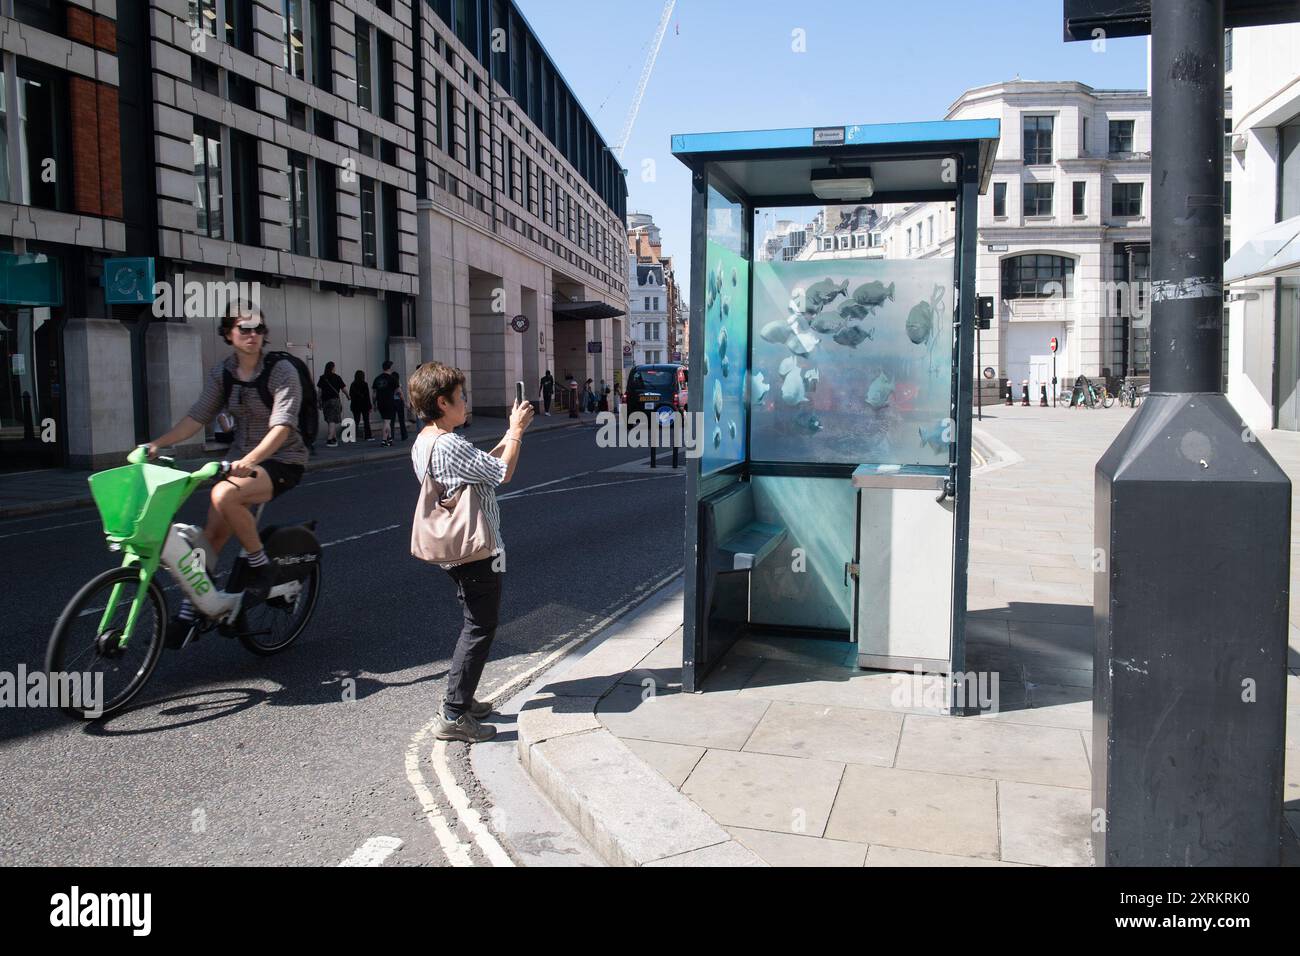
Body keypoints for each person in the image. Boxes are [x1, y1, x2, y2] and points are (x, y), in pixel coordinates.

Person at [143, 305, 307, 646]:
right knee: (211, 536)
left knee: (224, 495)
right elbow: (197, 417)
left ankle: (262, 568)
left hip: (282, 460)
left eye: (258, 328)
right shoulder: (224, 372)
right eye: (243, 328)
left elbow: (282, 427)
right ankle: (192, 611)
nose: (251, 335)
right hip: (237, 463)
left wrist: (248, 460)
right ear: (228, 334)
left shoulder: (281, 370)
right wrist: (156, 444)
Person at [409, 361, 535, 743]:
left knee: (476, 623)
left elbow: (482, 466)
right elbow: (502, 473)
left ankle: (464, 697)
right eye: (461, 397)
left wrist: (510, 435)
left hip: (455, 549)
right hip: (474, 551)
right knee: (480, 627)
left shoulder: (426, 440)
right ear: (443, 402)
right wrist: (515, 432)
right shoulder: (449, 444)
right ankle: (453, 714)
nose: (466, 402)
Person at [373, 360, 402, 446]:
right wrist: (403, 400)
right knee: (387, 422)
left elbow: (374, 394)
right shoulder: (393, 379)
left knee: (386, 421)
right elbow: (399, 392)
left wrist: (374, 404)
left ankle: (389, 439)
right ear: (390, 368)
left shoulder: (377, 378)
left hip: (380, 402)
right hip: (389, 402)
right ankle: (384, 440)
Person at [317, 361, 346, 447]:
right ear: (333, 368)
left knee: (329, 419)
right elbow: (344, 388)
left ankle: (333, 438)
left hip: (325, 401)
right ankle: (329, 440)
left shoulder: (322, 378)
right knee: (332, 420)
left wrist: (319, 402)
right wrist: (348, 396)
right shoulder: (337, 377)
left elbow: (319, 392)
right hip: (334, 401)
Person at [349, 369, 373, 441]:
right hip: (364, 405)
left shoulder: (353, 384)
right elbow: (367, 396)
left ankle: (352, 436)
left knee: (356, 421)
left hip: (355, 405)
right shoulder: (364, 384)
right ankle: (368, 436)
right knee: (366, 421)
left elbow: (350, 395)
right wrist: (370, 406)